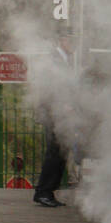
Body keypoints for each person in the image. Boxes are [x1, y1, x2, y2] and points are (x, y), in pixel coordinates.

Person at [33, 27, 75, 208]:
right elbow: (51, 87)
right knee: (54, 152)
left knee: (59, 152)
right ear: (63, 40)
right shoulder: (54, 60)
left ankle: (48, 191)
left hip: (60, 111)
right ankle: (44, 192)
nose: (75, 44)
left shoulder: (65, 60)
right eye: (72, 40)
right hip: (54, 111)